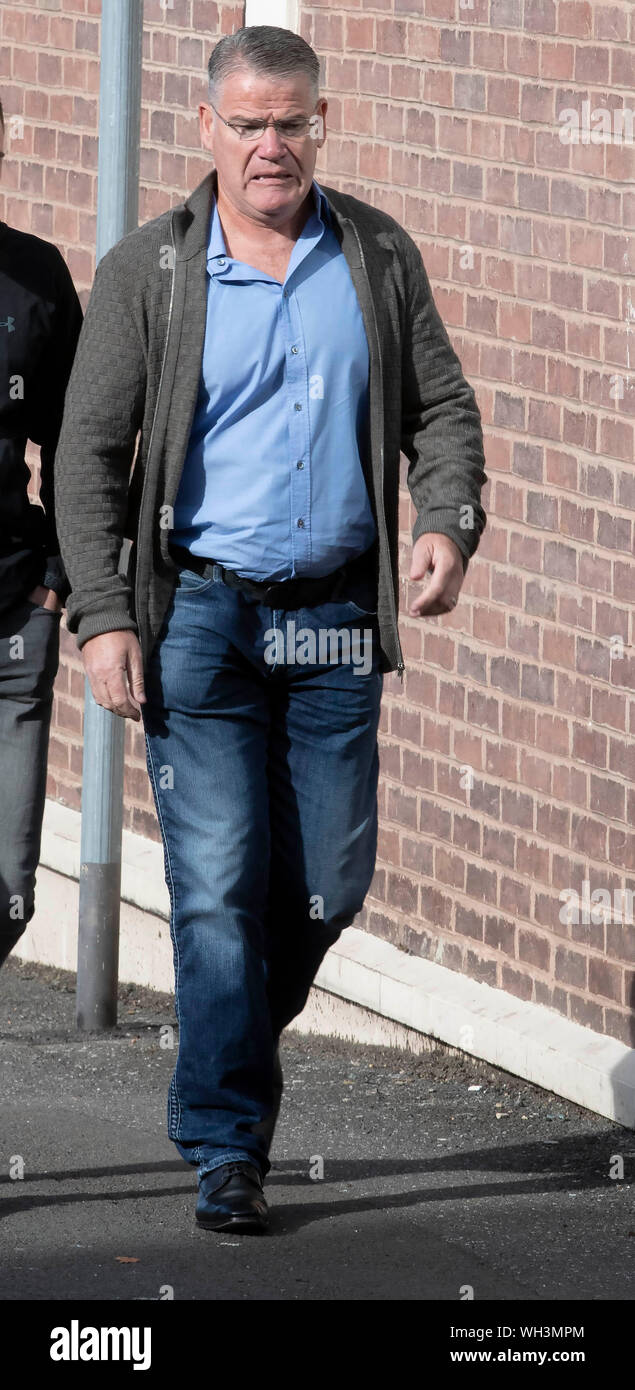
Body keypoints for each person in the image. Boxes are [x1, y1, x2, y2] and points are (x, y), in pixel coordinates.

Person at [55, 26, 487, 1233]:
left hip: (337, 618)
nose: (269, 146)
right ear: (207, 130)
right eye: (246, 124)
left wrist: (445, 517)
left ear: (321, 124)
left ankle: (227, 1036)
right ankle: (225, 1144)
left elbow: (440, 405)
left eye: (289, 122)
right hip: (198, 616)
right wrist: (102, 619)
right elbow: (88, 460)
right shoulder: (152, 271)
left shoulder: (373, 256)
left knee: (325, 884)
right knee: (213, 889)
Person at [0, 97, 83, 969]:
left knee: (9, 890)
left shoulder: (35, 275)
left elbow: (76, 437)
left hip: (11, 621)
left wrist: (57, 572)